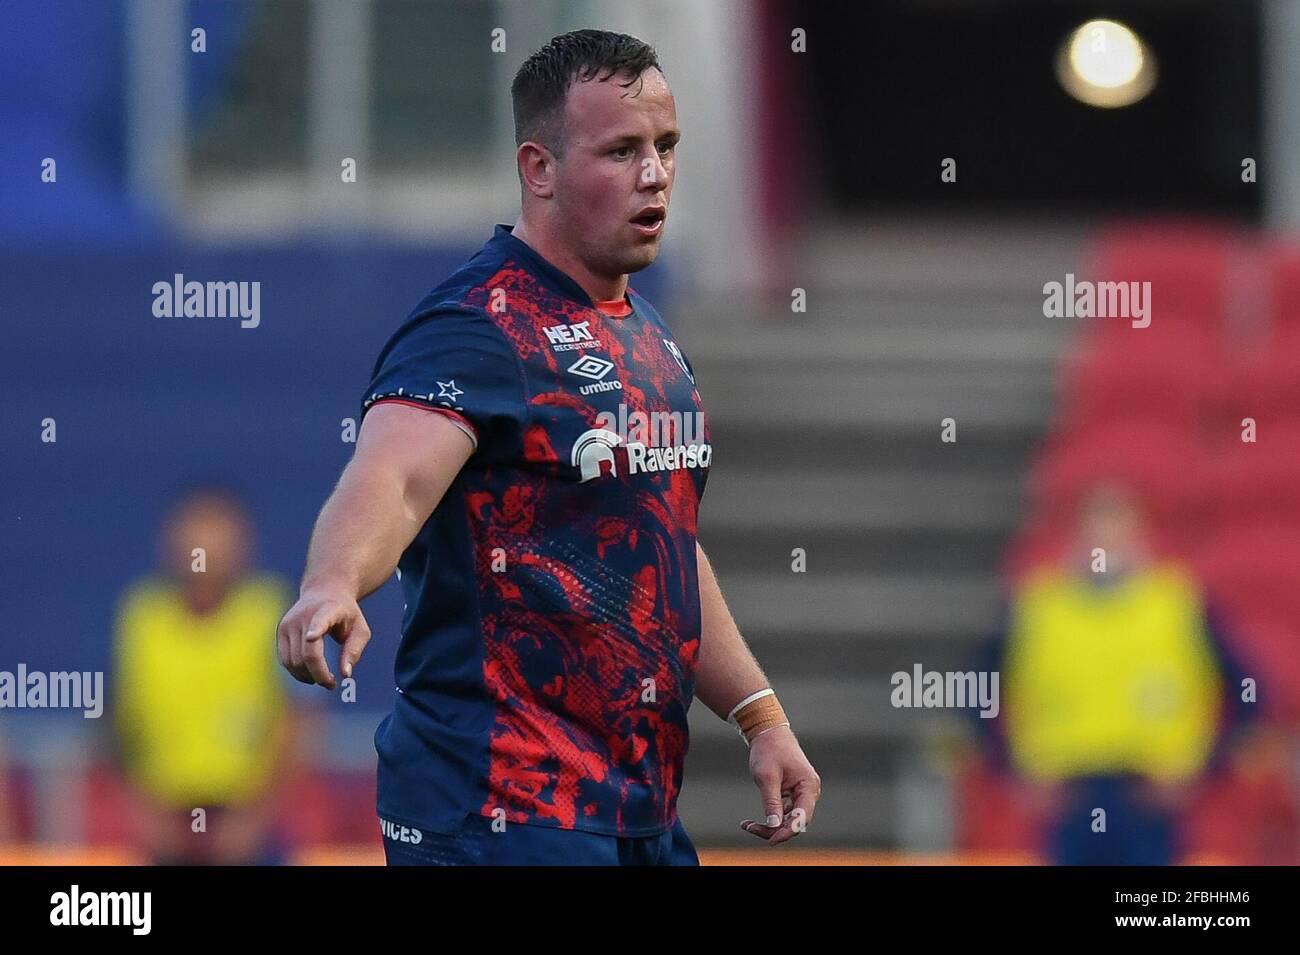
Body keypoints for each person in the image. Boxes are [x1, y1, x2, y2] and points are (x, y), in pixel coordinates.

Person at [277, 29, 820, 865]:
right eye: (621, 150)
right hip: (498, 809)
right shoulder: (477, 324)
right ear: (539, 169)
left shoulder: (651, 338)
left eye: (666, 147)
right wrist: (332, 581)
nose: (655, 174)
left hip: (636, 811)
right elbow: (393, 478)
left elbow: (665, 544)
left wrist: (760, 715)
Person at [975, 482, 1257, 865]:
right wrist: (1007, 768)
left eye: (1119, 524)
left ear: (1140, 532)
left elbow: (1250, 689)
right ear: (1077, 532)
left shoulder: (1177, 601)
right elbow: (977, 687)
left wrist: (1207, 767)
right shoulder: (1037, 604)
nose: (1107, 538)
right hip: (1069, 794)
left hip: (1148, 795)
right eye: (1097, 524)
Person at [114, 484, 303, 864]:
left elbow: (299, 722)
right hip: (166, 820)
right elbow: (118, 718)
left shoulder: (271, 612)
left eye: (218, 532)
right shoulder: (142, 614)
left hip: (247, 823)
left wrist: (255, 816)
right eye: (194, 530)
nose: (203, 546)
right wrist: (143, 808)